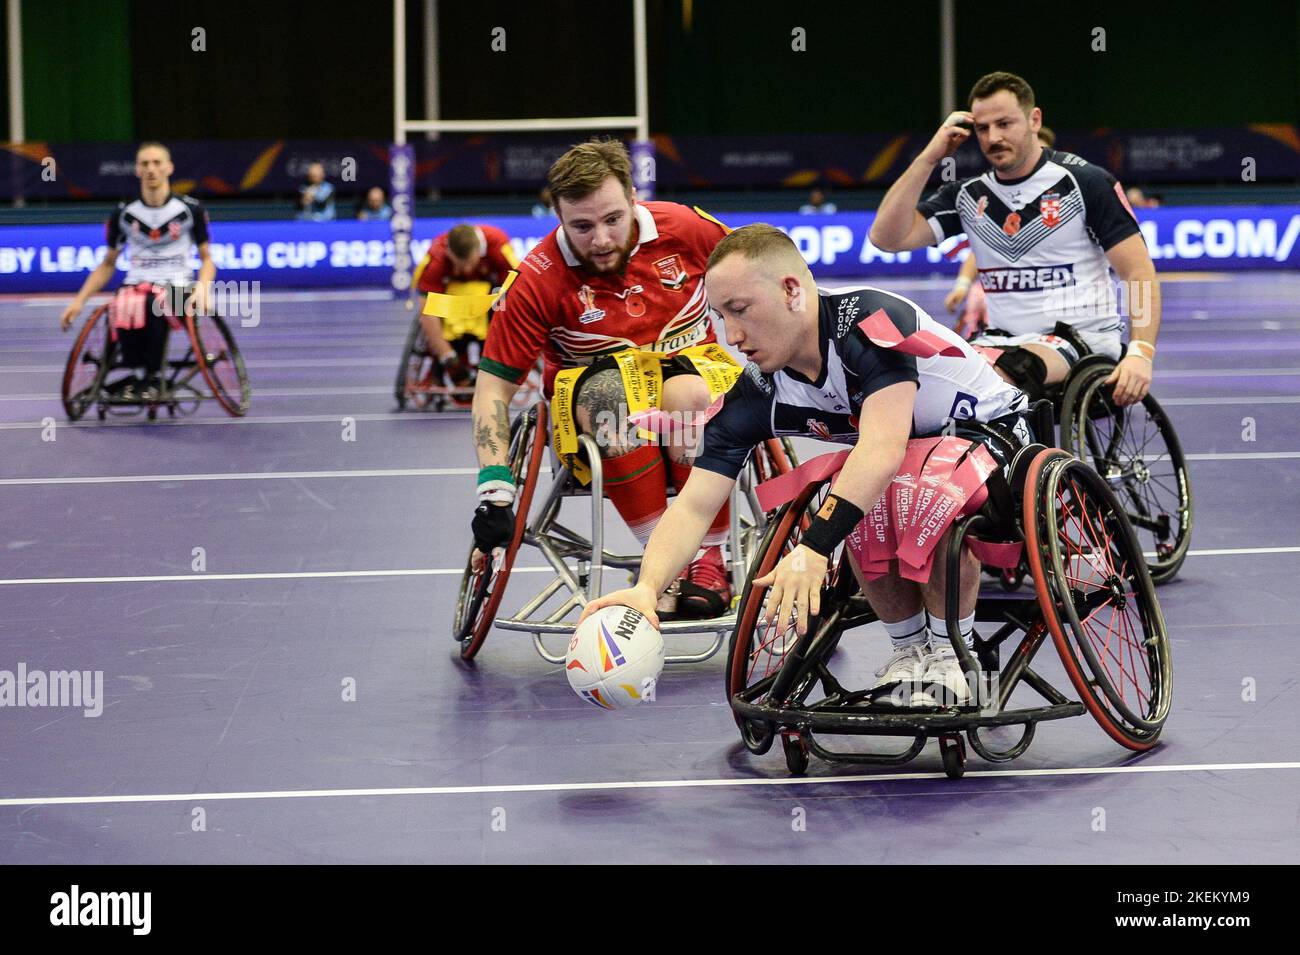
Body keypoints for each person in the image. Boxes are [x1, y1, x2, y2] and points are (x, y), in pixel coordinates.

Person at [583, 224, 1030, 703]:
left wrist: (813, 548)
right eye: (720, 317)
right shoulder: (760, 389)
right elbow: (695, 505)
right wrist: (648, 589)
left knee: (905, 482)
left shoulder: (870, 321)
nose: (732, 337)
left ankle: (950, 658)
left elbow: (881, 447)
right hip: (905, 463)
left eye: (740, 311)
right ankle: (910, 651)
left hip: (992, 439)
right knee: (863, 493)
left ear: (792, 292)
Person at [464, 139, 737, 618]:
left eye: (614, 218)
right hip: (597, 402)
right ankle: (666, 561)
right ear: (558, 218)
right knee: (612, 399)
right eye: (582, 227)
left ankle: (708, 557)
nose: (603, 239)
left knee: (691, 393)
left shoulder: (686, 228)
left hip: (689, 380)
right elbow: (493, 388)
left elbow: (757, 274)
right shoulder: (537, 278)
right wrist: (494, 485)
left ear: (634, 197)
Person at [871, 72, 1159, 407]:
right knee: (920, 377)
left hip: (1080, 340)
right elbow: (886, 238)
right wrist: (930, 157)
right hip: (999, 341)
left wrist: (1141, 352)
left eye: (1005, 124)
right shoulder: (968, 195)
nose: (993, 137)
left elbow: (1138, 274)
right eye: (982, 128)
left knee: (991, 379)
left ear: (1034, 119)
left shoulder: (1084, 182)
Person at [59, 141, 215, 402]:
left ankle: (152, 376)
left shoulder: (191, 210)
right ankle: (126, 373)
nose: (151, 169)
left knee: (152, 304)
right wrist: (78, 301)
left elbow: (208, 259)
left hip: (178, 286)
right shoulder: (124, 213)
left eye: (157, 163)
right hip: (137, 284)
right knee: (123, 303)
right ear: (137, 170)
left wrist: (204, 288)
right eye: (145, 164)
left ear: (169, 168)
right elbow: (108, 264)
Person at [943, 126, 1056, 338]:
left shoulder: (1065, 201)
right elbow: (980, 251)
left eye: (1043, 152)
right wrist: (963, 286)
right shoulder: (996, 200)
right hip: (1000, 303)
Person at [412, 223, 520, 387]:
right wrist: (446, 355)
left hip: (492, 294)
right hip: (452, 301)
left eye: (470, 263)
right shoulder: (436, 255)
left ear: (479, 251)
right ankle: (446, 365)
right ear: (448, 253)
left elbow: (516, 290)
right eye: (460, 265)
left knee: (503, 303)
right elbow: (427, 311)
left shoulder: (499, 245)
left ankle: (491, 359)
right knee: (439, 314)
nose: (467, 270)